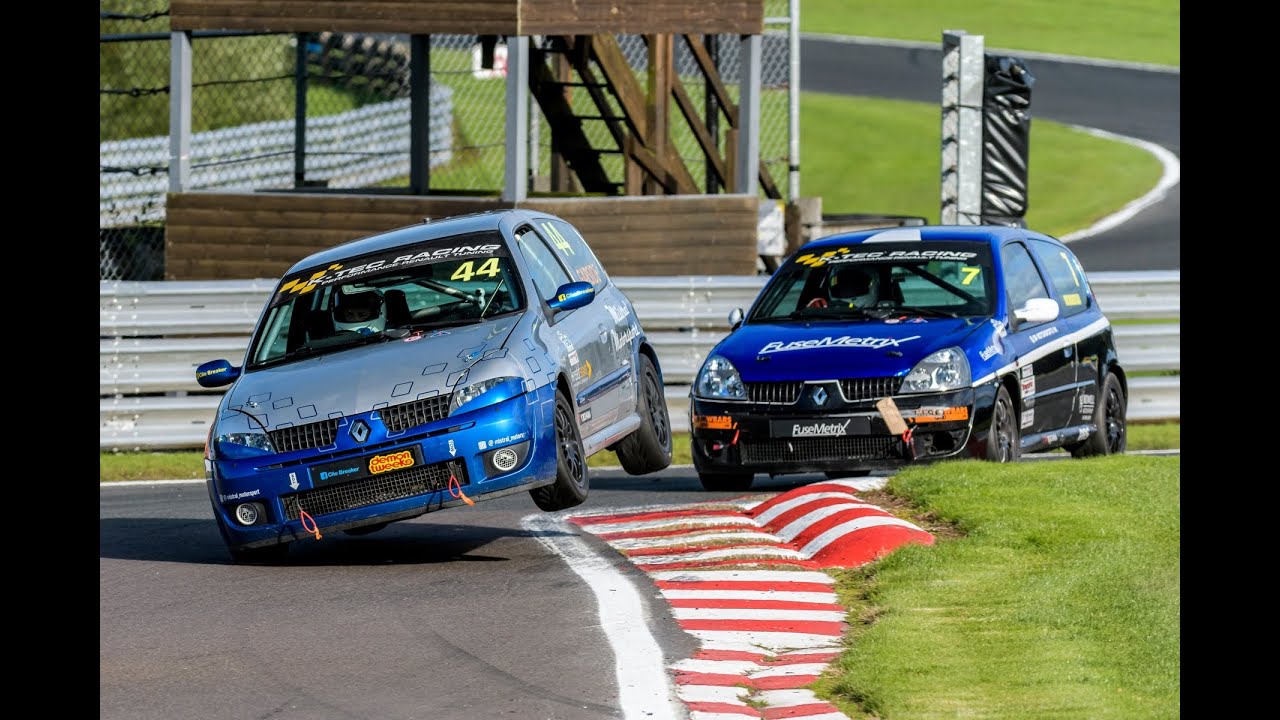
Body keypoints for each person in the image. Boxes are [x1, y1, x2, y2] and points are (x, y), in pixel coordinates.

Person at [806, 265, 880, 309]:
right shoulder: (822, 312)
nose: (848, 288)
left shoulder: (886, 315)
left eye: (855, 283)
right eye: (843, 282)